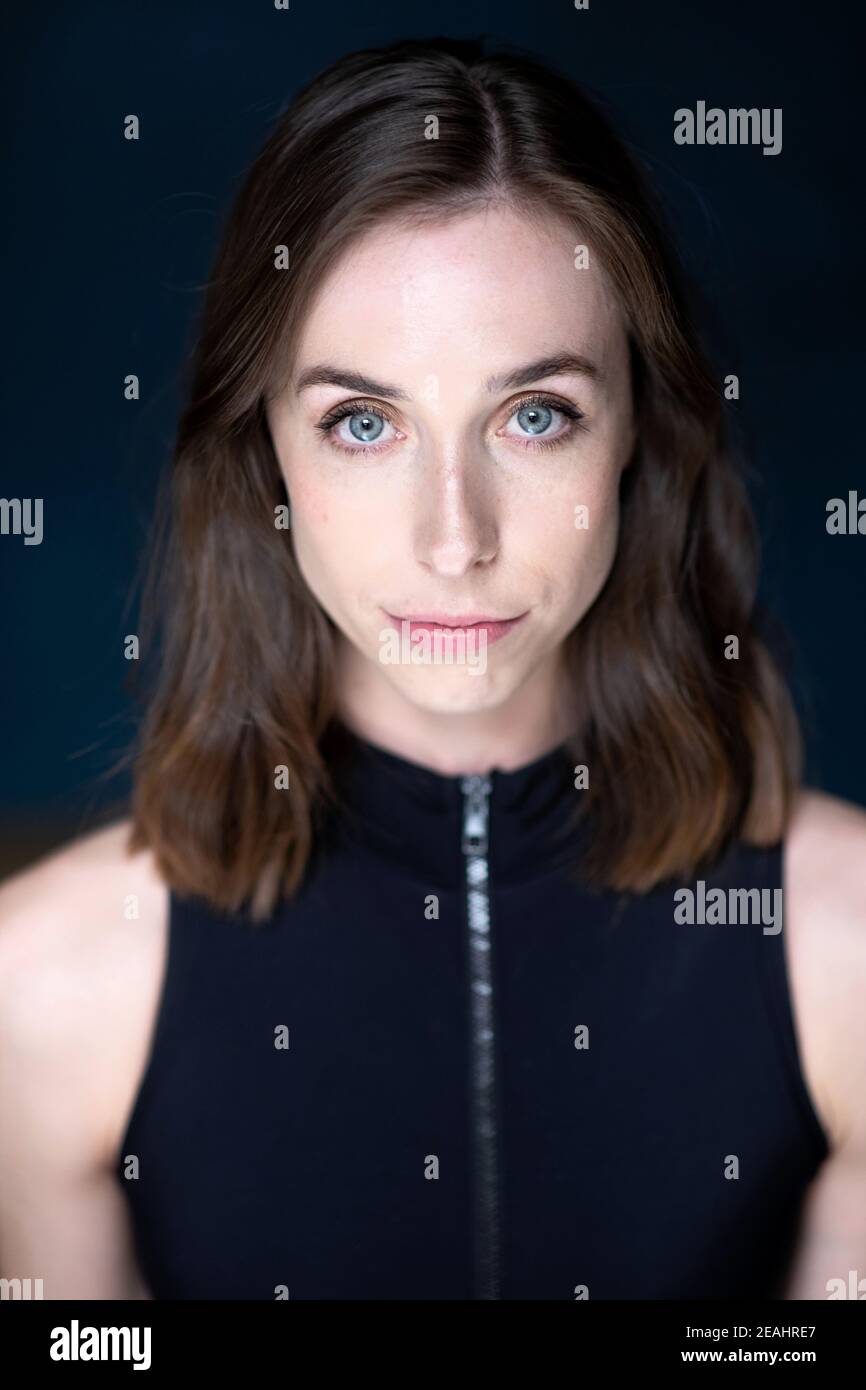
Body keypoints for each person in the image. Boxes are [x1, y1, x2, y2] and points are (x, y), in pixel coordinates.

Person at [1, 37, 864, 1302]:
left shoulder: (845, 953)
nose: (452, 539)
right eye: (363, 422)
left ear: (639, 433)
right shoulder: (45, 986)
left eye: (535, 415)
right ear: (266, 457)